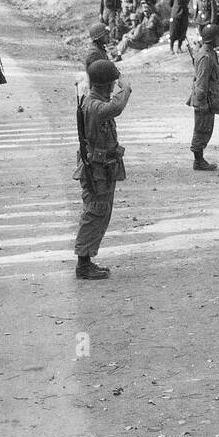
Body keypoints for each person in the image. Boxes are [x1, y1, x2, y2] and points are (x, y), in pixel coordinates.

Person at [74, 59, 131, 280]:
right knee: (94, 212)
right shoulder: (95, 106)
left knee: (99, 212)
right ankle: (83, 263)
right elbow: (115, 107)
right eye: (111, 85)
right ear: (104, 85)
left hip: (102, 168)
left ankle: (87, 259)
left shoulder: (92, 101)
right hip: (97, 170)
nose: (112, 89)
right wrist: (125, 88)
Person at [189, 24, 219, 170]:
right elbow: (202, 82)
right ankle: (198, 161)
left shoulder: (211, 53)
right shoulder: (205, 56)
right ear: (211, 39)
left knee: (206, 129)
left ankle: (199, 160)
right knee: (201, 130)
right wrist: (202, 102)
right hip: (204, 99)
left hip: (209, 97)